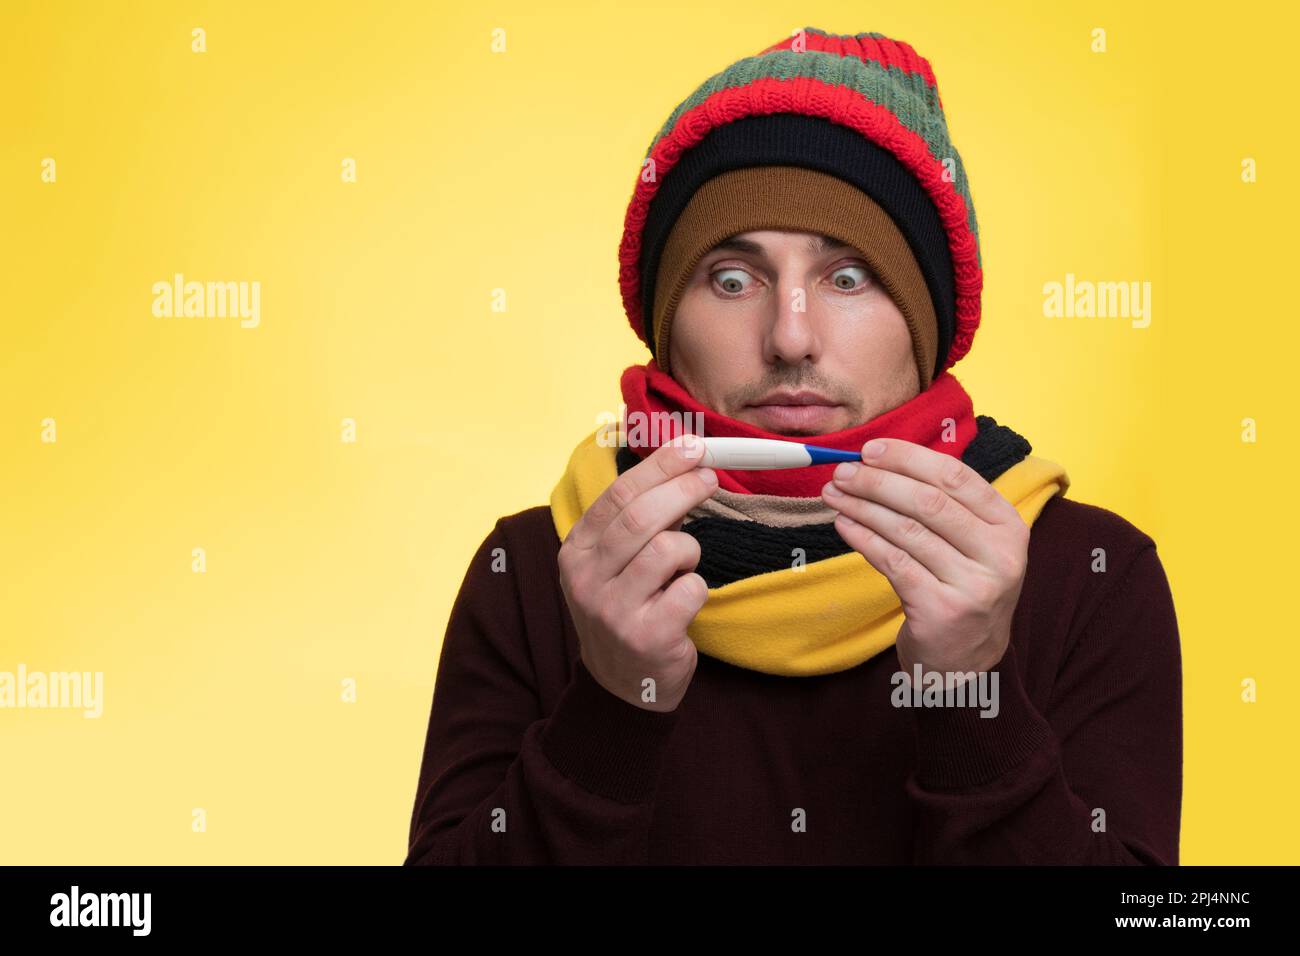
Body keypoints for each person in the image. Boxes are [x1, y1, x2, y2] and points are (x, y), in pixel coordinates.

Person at [404, 27, 1182, 865]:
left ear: (926, 325)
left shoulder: (1088, 571)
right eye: (732, 279)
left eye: (849, 277)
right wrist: (610, 706)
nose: (790, 338)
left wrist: (969, 686)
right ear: (667, 326)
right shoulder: (539, 567)